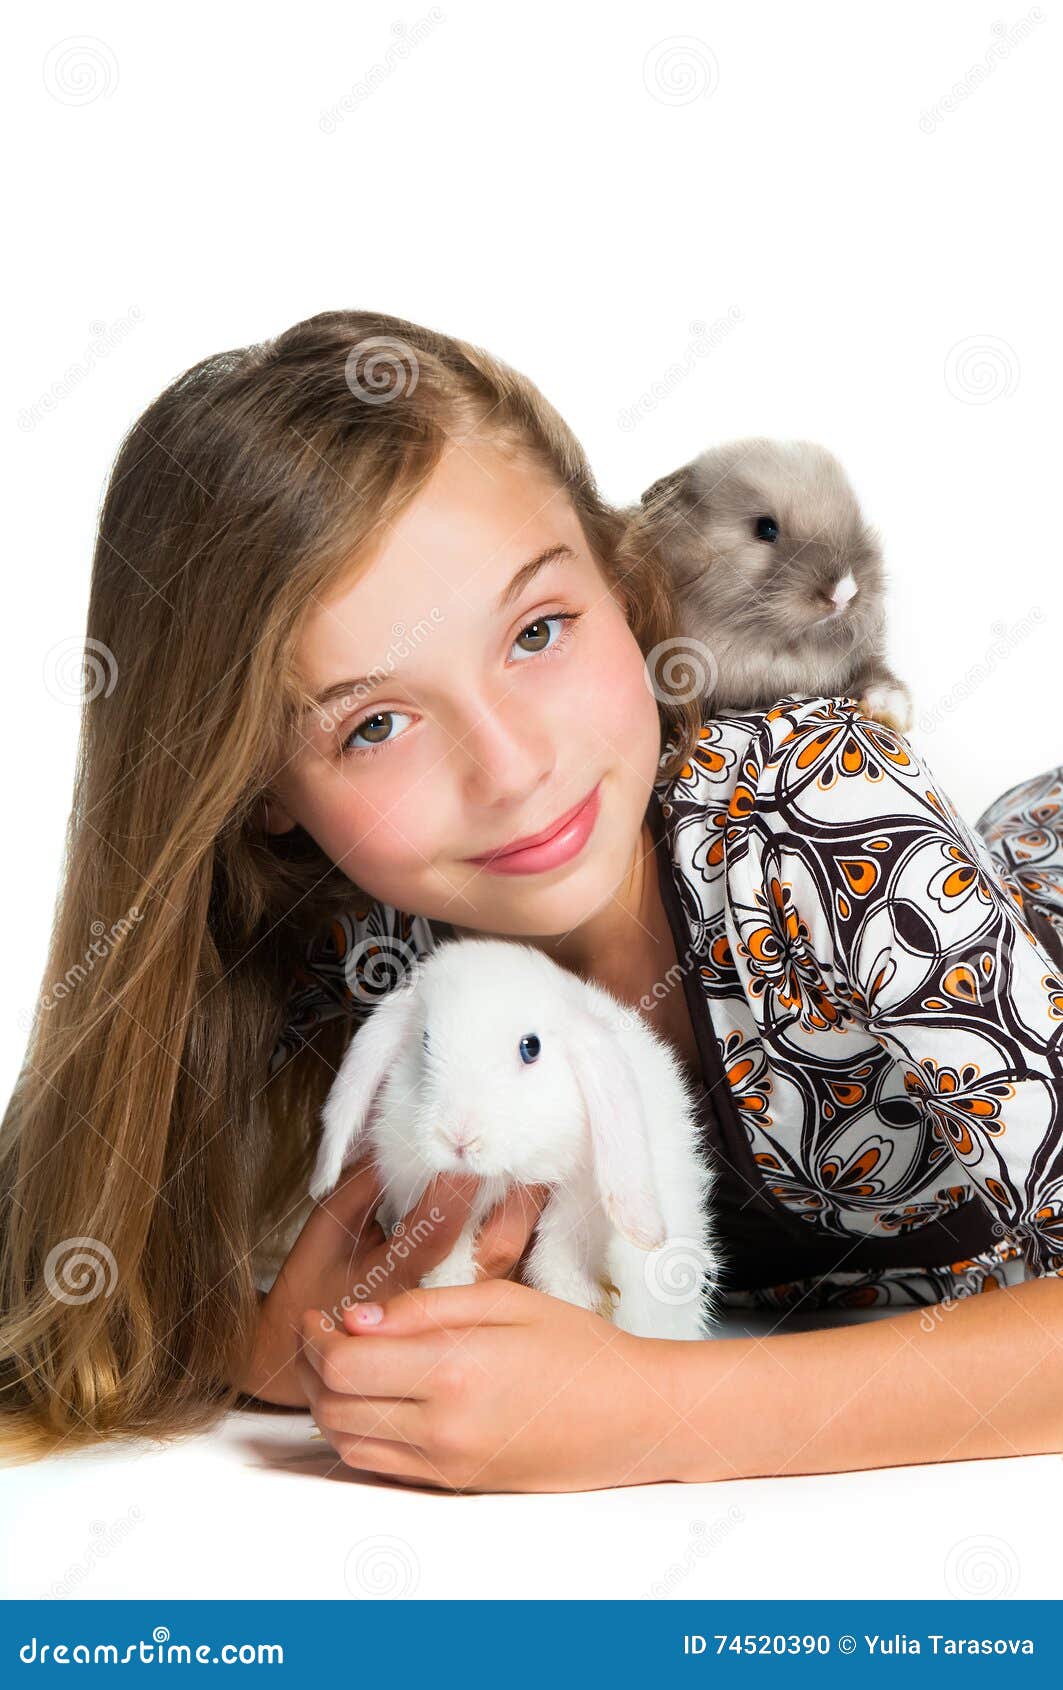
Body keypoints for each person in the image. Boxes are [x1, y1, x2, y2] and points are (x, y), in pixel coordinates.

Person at [1, 309, 1060, 1492]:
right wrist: (280, 1346)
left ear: (625, 586)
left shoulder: (818, 816)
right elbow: (72, 1283)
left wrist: (655, 1415)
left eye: (538, 630)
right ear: (260, 792)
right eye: (375, 724)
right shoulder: (370, 962)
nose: (510, 770)